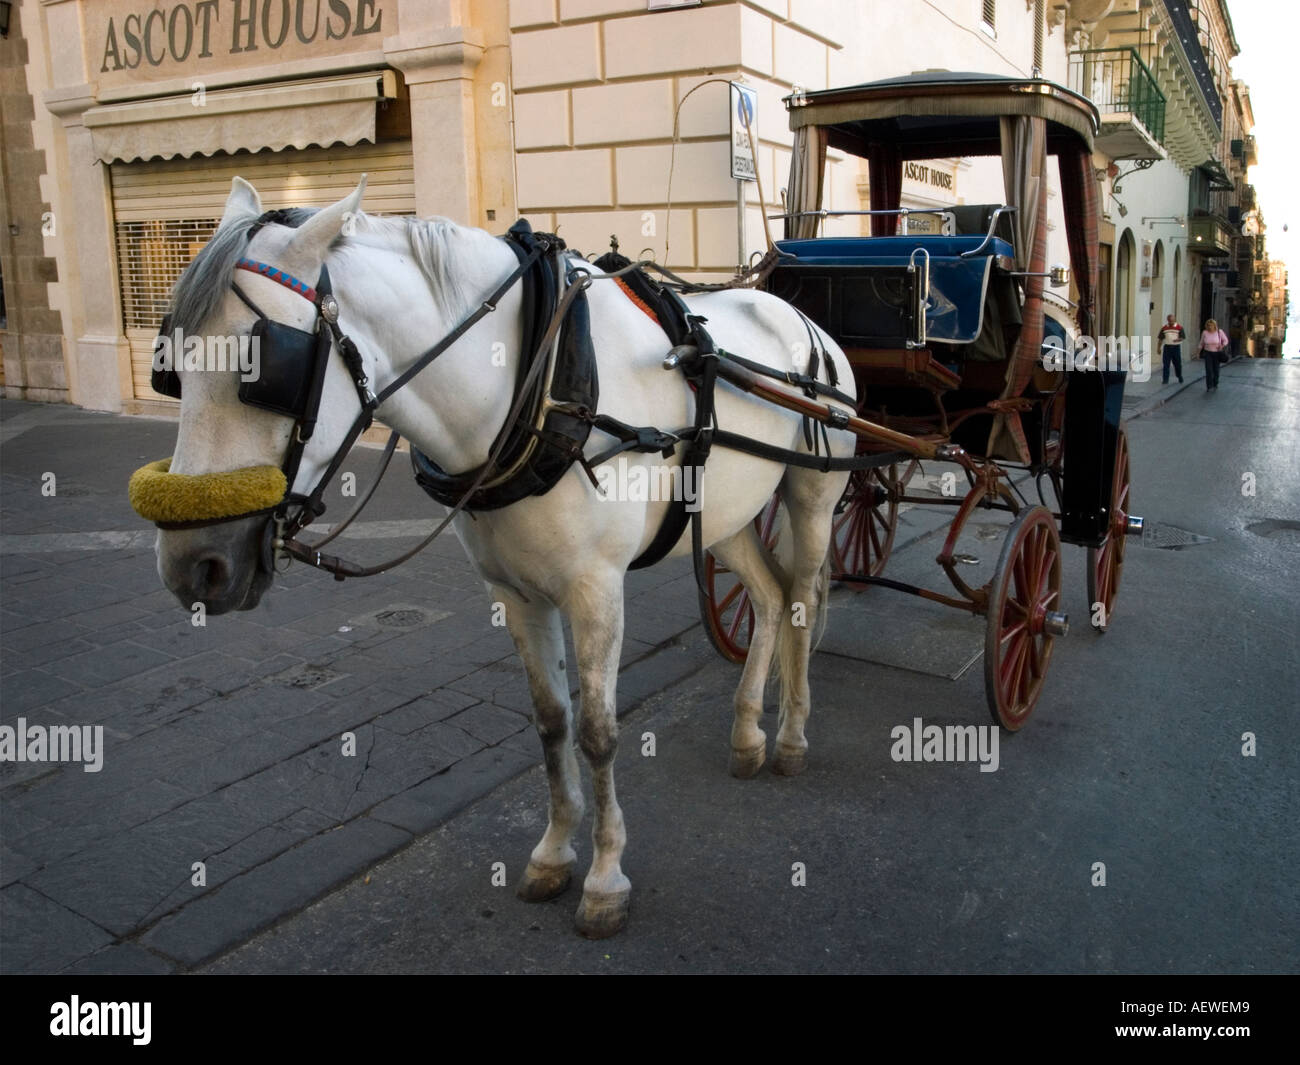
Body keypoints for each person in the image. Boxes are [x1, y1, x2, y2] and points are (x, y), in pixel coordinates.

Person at [1196, 318, 1230, 391]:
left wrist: (1222, 345)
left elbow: (1226, 340)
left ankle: (1215, 383)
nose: (1209, 327)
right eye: (1208, 325)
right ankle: (1209, 386)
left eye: (1211, 325)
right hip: (1207, 353)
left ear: (1215, 326)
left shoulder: (1219, 332)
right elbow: (1201, 343)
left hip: (1217, 353)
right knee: (1208, 370)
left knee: (1216, 370)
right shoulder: (1205, 332)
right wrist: (1198, 353)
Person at [1159, 314, 1185, 384]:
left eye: (1172, 321)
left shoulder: (1179, 327)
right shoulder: (1164, 328)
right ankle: (1165, 379)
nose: (1171, 322)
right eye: (1170, 321)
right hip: (1167, 347)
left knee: (1177, 364)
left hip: (1176, 348)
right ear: (1167, 320)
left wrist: (1178, 339)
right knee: (1166, 364)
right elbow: (1160, 339)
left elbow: (1183, 337)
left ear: (1175, 320)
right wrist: (1158, 348)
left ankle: (1179, 375)